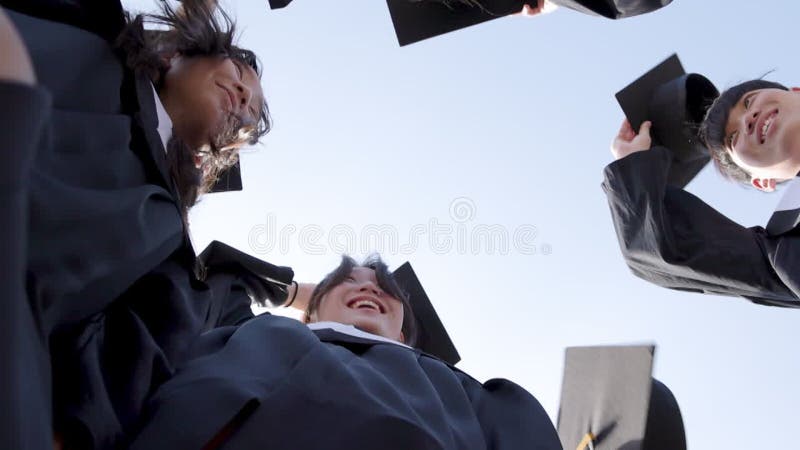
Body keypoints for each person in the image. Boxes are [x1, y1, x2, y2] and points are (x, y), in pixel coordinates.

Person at [0, 1, 289, 448]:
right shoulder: (93, 35)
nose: (246, 96)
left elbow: (105, 382)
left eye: (250, 114)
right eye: (240, 71)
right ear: (180, 53)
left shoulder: (165, 238)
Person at [130, 255, 563, 450]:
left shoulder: (474, 401)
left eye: (383, 288)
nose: (369, 286)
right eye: (350, 280)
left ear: (408, 330)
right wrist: (301, 297)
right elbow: (220, 270)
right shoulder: (248, 336)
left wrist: (340, 297)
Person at [603, 79, 800, 307]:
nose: (748, 118)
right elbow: (664, 252)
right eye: (733, 138)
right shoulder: (785, 254)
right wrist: (634, 168)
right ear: (764, 181)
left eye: (749, 101)